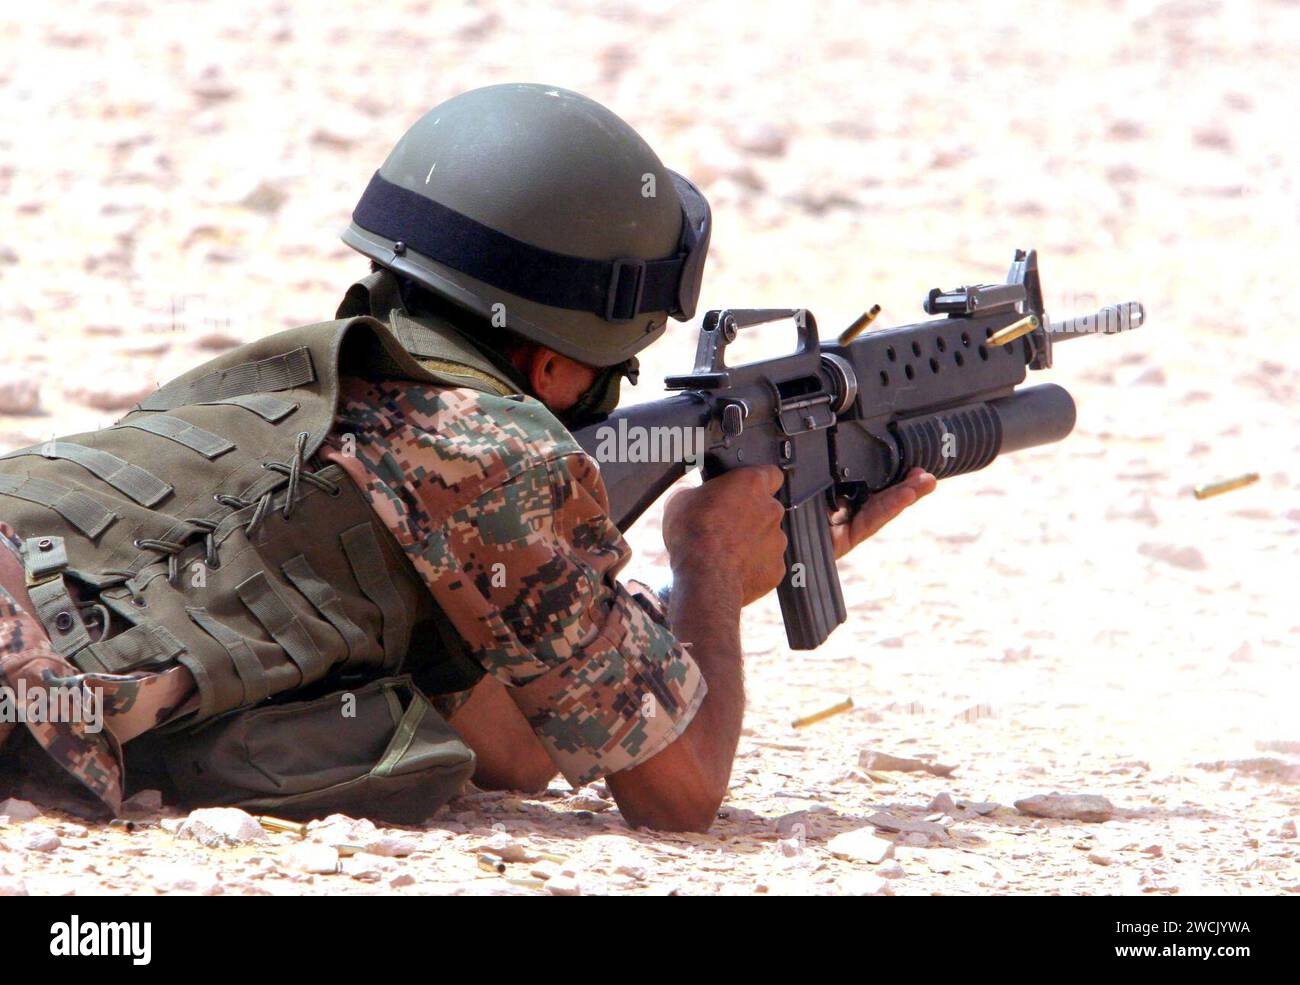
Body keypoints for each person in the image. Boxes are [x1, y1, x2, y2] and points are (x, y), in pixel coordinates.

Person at [0, 83, 935, 832]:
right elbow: (680, 794)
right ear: (555, 360)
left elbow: (518, 751)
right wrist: (710, 565)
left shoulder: (283, 377)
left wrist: (642, 616)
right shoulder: (496, 455)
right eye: (617, 359)